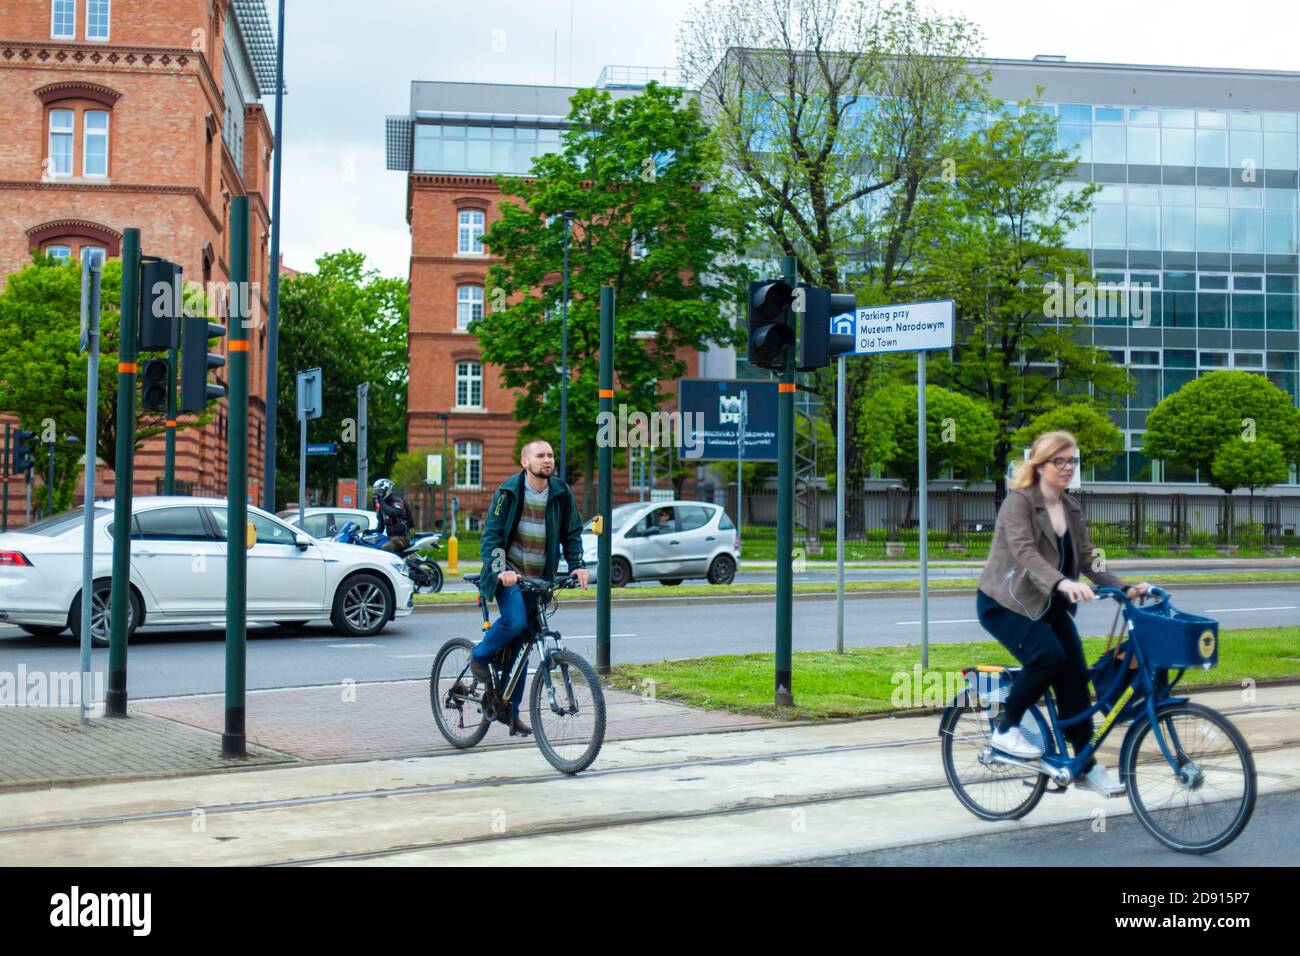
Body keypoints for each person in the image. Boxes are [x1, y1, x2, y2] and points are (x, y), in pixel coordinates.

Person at [976, 430, 1153, 797]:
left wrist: (1124, 587)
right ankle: (1006, 729)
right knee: (1048, 657)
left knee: (1075, 678)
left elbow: (1089, 559)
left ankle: (1083, 766)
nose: (1068, 468)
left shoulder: (1070, 507)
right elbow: (1025, 553)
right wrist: (1062, 583)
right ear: (1040, 464)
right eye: (1060, 461)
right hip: (1007, 603)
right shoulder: (1019, 503)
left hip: (1049, 605)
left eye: (1073, 461)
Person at [472, 440, 588, 735]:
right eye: (540, 456)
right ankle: (480, 655)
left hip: (539, 580)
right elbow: (491, 537)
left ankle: (510, 709)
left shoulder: (561, 493)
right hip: (508, 575)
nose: (547, 460)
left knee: (524, 643)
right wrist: (501, 570)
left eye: (550, 455)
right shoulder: (508, 492)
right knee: (515, 621)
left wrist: (577, 563)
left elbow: (572, 532)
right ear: (526, 462)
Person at [371, 478, 413, 553]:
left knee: (385, 548)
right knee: (373, 546)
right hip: (391, 537)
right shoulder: (382, 507)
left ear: (387, 491)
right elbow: (380, 528)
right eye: (376, 492)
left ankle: (394, 564)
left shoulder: (397, 501)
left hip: (402, 538)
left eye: (379, 492)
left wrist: (381, 502)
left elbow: (392, 513)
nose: (377, 495)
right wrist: (369, 532)